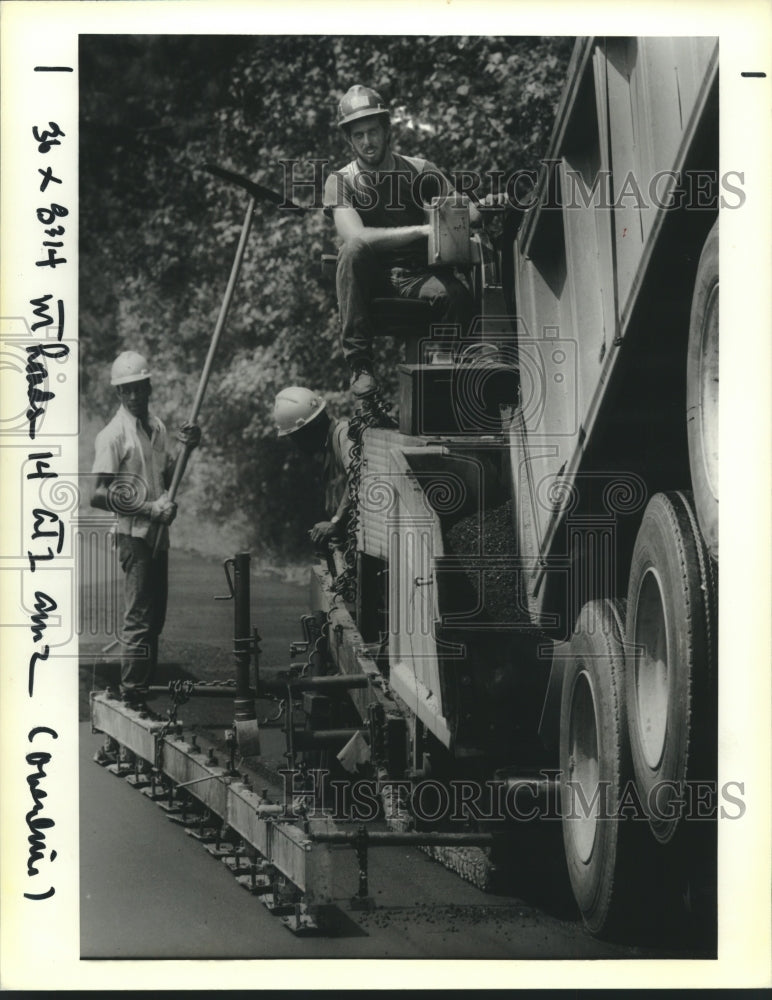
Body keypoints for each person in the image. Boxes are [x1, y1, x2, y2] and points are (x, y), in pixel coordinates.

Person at [323, 84, 481, 399]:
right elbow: (355, 237)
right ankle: (360, 365)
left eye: (373, 131)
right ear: (349, 140)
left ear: (386, 130)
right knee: (352, 249)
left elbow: (468, 212)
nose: (367, 142)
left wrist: (460, 210)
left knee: (458, 296)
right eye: (358, 135)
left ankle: (460, 386)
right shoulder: (341, 181)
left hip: (419, 275)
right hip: (372, 280)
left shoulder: (420, 170)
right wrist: (422, 230)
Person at [90, 350, 201, 708]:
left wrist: (189, 448)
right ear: (118, 394)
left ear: (149, 386)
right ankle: (132, 696)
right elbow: (98, 495)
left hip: (157, 535)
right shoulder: (113, 435)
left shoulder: (156, 427)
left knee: (155, 620)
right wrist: (150, 509)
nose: (135, 396)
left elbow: (165, 479)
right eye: (127, 391)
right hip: (133, 537)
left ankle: (143, 691)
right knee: (139, 620)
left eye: (140, 388)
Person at [272, 386, 354, 546]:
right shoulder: (329, 449)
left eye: (295, 438)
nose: (297, 445)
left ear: (308, 429)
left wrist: (336, 523)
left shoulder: (344, 436)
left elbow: (359, 477)